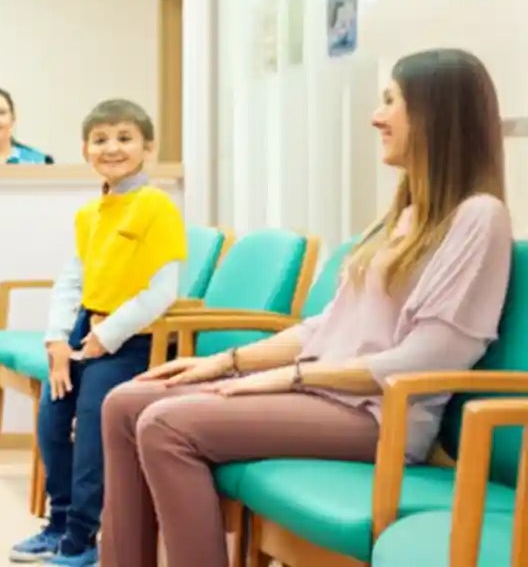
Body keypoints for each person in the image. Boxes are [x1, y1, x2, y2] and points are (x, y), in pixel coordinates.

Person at [99, 48, 512, 567]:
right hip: (328, 396)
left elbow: (429, 358)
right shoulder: (400, 217)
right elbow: (325, 324)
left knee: (166, 425)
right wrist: (224, 364)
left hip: (379, 417)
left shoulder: (479, 217)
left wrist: (289, 378)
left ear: (435, 113)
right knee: (125, 402)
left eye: (391, 102)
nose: (376, 116)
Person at [9, 99, 188, 566]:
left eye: (125, 138)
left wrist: (106, 337)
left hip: (134, 336)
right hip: (88, 326)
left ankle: (83, 538)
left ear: (148, 147)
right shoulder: (90, 213)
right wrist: (57, 340)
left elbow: (162, 291)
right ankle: (60, 522)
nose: (112, 148)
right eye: (101, 139)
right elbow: (74, 278)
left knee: (91, 425)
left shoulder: (156, 206)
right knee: (52, 417)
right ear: (85, 150)